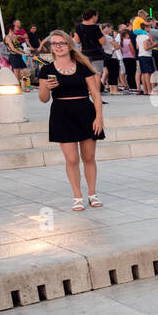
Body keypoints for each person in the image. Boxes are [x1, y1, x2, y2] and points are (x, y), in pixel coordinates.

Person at [37, 29, 105, 211]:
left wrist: (99, 117)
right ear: (51, 47)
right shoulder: (47, 69)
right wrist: (47, 88)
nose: (58, 47)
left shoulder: (83, 66)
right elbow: (43, 99)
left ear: (69, 45)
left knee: (89, 157)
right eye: (54, 44)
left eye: (61, 43)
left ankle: (92, 193)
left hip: (85, 112)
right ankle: (77, 195)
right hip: (61, 113)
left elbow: (96, 95)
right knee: (72, 158)